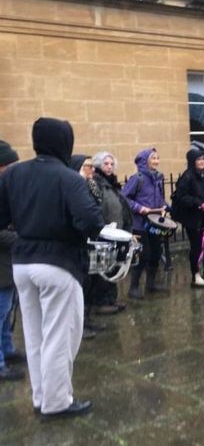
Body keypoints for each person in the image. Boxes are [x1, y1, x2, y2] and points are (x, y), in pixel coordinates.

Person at [0, 117, 105, 419]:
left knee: (34, 335)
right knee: (60, 335)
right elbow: (92, 221)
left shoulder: (14, 174)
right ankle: (57, 402)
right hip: (58, 264)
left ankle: (41, 397)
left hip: (22, 264)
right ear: (64, 142)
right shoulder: (69, 178)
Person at [122, 148, 168, 299]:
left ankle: (151, 284)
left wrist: (164, 207)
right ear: (145, 161)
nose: (156, 161)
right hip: (139, 224)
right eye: (153, 158)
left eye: (157, 158)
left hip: (154, 223)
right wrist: (139, 208)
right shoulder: (137, 179)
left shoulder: (158, 178)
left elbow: (159, 198)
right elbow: (124, 198)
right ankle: (133, 287)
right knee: (143, 255)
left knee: (156, 253)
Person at [91, 152, 132, 314]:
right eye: (105, 164)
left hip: (117, 230)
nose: (109, 167)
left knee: (113, 266)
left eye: (111, 164)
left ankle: (110, 300)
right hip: (105, 232)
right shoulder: (97, 183)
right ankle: (100, 303)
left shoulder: (111, 183)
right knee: (104, 268)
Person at [172, 148, 204, 287]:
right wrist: (198, 203)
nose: (201, 162)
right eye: (198, 159)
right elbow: (181, 197)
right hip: (193, 217)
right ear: (192, 161)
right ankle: (196, 275)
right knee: (197, 246)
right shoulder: (187, 177)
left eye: (203, 159)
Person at [69, 155, 103, 340]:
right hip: (79, 241)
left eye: (92, 166)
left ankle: (86, 317)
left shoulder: (92, 185)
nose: (92, 169)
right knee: (81, 283)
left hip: (92, 238)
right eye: (87, 166)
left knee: (91, 281)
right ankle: (78, 325)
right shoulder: (76, 187)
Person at [0, 139, 25, 382]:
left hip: (10, 263)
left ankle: (7, 350)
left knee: (8, 312)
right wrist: (21, 238)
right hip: (2, 265)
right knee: (0, 312)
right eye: (9, 165)